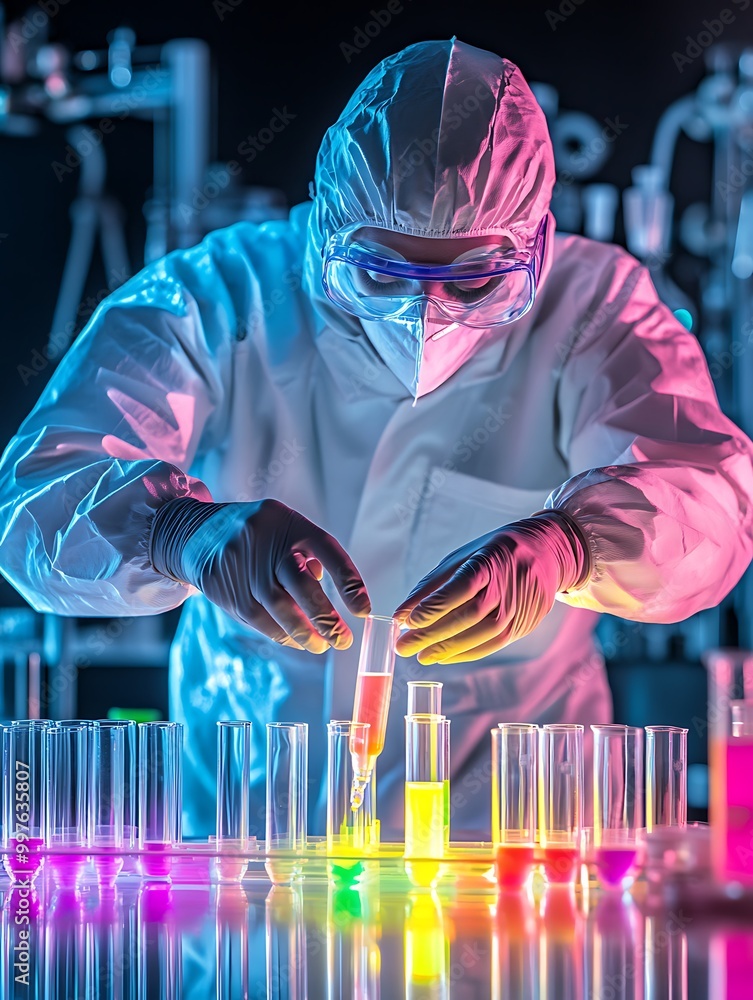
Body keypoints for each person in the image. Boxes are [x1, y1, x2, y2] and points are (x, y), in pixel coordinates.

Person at [1, 37, 752, 840]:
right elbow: (33, 499)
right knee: (257, 956)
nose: (423, 317)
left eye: (470, 279)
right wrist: (179, 532)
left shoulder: (592, 305)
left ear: (532, 247)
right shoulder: (220, 296)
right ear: (328, 227)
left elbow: (711, 508)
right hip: (253, 831)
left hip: (512, 844)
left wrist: (573, 546)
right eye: (383, 275)